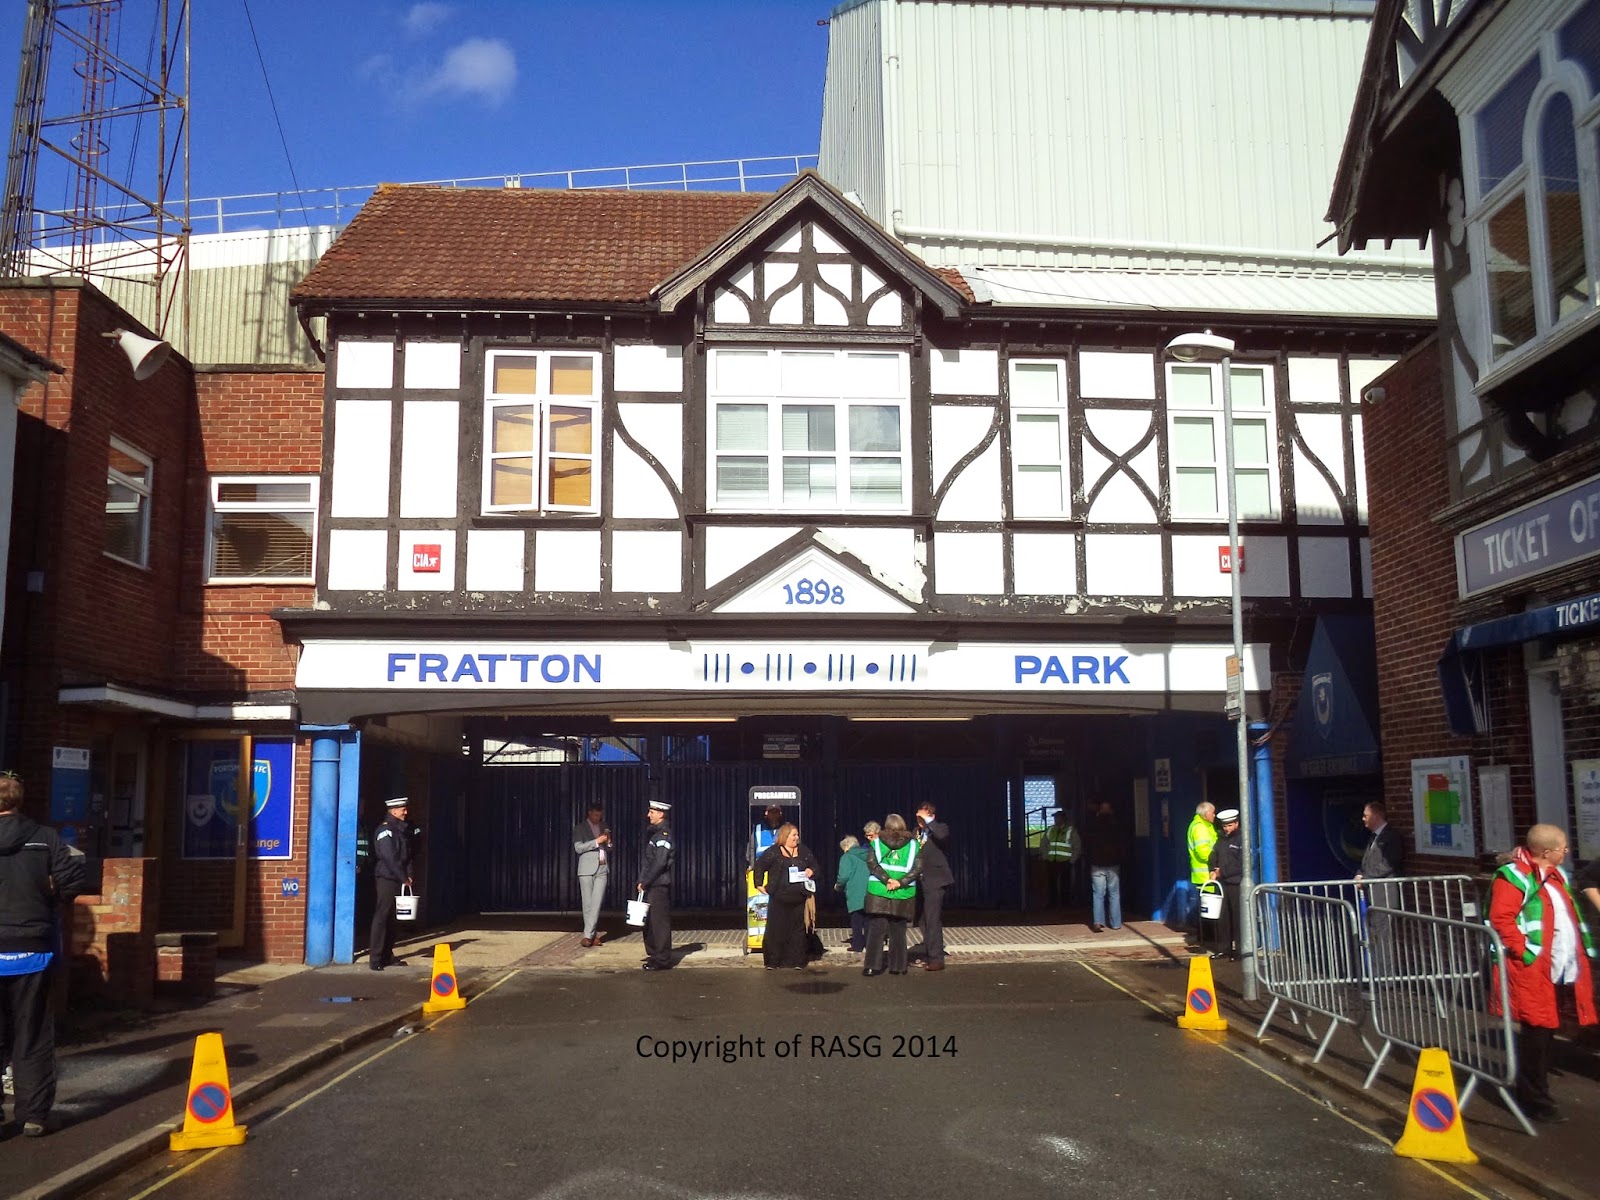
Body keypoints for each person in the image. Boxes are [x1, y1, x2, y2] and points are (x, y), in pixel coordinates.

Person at [1489, 824, 1596, 1124]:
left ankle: (1536, 1091)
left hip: (1558, 966)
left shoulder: (1557, 876)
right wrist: (1525, 953)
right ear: (1547, 852)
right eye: (1563, 848)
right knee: (1537, 1029)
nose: (1568, 851)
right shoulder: (1513, 877)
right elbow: (1501, 919)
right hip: (1533, 967)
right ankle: (1534, 1099)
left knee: (1547, 1029)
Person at [0, 772, 86, 1137]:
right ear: (19, 800)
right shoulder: (45, 838)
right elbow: (72, 880)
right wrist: (48, 898)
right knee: (31, 1035)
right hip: (31, 949)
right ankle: (34, 1116)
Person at [753, 823, 820, 970]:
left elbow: (815, 866)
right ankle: (773, 961)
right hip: (779, 898)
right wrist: (758, 884)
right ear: (785, 836)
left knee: (797, 931)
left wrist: (811, 870)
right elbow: (759, 865)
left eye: (797, 835)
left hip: (799, 898)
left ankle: (797, 961)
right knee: (776, 930)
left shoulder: (803, 851)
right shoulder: (774, 851)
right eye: (793, 835)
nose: (797, 838)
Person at [863, 814, 922, 977]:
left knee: (876, 930)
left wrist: (886, 879)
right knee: (898, 930)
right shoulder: (913, 845)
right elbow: (917, 869)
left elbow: (871, 864)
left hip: (879, 891)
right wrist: (900, 882)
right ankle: (899, 967)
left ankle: (871, 967)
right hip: (903, 893)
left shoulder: (876, 843)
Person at [368, 796, 413, 971]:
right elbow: (389, 857)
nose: (406, 812)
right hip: (387, 878)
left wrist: (408, 874)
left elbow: (406, 855)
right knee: (382, 916)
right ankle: (376, 958)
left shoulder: (400, 830)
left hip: (397, 877)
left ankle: (387, 954)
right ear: (393, 811)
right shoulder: (385, 830)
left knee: (393, 918)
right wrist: (403, 877)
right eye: (403, 809)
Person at [912, 803, 951, 971]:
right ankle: (928, 953)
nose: (920, 820)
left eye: (924, 817)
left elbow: (942, 836)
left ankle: (936, 959)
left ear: (931, 816)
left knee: (932, 919)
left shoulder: (940, 828)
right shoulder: (917, 833)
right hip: (920, 881)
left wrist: (927, 820)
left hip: (936, 880)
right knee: (922, 920)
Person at [638, 798, 675, 971]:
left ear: (661, 814)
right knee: (650, 923)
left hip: (658, 885)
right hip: (651, 885)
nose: (648, 815)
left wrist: (645, 882)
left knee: (659, 923)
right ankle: (654, 955)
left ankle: (662, 959)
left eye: (651, 812)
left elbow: (660, 863)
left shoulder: (664, 836)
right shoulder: (655, 834)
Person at [572, 802, 611, 948]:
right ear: (589, 813)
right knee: (587, 904)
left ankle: (588, 936)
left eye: (600, 815)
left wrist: (609, 843)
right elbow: (578, 848)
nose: (598, 818)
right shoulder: (580, 828)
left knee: (597, 903)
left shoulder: (604, 826)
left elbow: (609, 847)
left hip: (602, 867)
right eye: (595, 815)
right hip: (586, 868)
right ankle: (591, 935)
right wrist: (596, 842)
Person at [1085, 799, 1125, 932]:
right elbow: (1122, 844)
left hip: (1097, 864)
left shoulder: (1093, 825)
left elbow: (1088, 843)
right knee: (1114, 894)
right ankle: (1116, 923)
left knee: (1098, 894)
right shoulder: (1117, 825)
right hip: (1113, 864)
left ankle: (1098, 922)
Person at [1208, 808, 1243, 959]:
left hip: (1236, 883)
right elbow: (1213, 855)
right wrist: (1212, 870)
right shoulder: (1220, 839)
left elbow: (1241, 863)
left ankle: (1240, 950)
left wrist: (1223, 871)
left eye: (1229, 825)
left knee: (1238, 918)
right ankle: (1224, 948)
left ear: (1236, 823)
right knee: (1223, 917)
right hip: (1222, 883)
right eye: (1224, 826)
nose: (1226, 828)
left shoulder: (1242, 839)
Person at [1185, 802, 1217, 943]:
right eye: (1213, 812)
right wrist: (1219, 859)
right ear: (1205, 814)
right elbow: (1203, 852)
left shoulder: (1205, 826)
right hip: (1206, 876)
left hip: (1205, 876)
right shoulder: (1200, 828)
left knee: (1207, 909)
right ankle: (1206, 939)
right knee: (1208, 910)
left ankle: (1206, 937)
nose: (1214, 815)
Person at [1038, 809, 1080, 908]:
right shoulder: (1050, 830)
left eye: (1057, 817)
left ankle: (1066, 904)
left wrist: (1072, 860)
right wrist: (1045, 856)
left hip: (1065, 862)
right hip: (1051, 861)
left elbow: (1077, 846)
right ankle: (1053, 903)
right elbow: (1043, 843)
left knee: (1065, 884)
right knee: (1051, 884)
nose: (1056, 819)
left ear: (1063, 819)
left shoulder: (1070, 830)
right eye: (1055, 818)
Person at [835, 835, 870, 953]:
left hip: (855, 892)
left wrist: (838, 886)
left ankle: (858, 945)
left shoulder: (847, 857)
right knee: (869, 920)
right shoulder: (869, 854)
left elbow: (843, 876)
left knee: (857, 920)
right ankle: (871, 944)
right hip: (870, 891)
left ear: (847, 846)